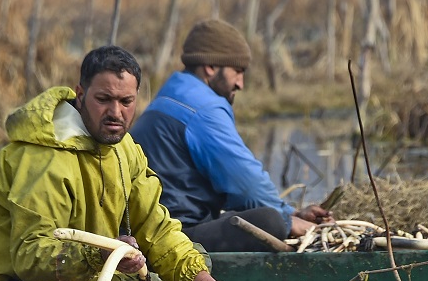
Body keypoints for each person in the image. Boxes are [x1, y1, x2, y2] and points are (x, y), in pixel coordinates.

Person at [0, 44, 261, 281]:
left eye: (126, 101)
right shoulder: (44, 158)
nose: (116, 113)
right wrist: (100, 255)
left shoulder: (125, 150)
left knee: (195, 263)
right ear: (81, 95)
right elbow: (30, 254)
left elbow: (158, 233)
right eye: (104, 99)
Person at [130, 18, 332, 252]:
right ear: (211, 67)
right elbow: (246, 184)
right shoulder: (203, 107)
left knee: (252, 215)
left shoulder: (171, 93)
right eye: (237, 71)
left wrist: (294, 212)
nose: (241, 83)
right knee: (270, 221)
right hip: (175, 235)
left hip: (152, 228)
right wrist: (287, 218)